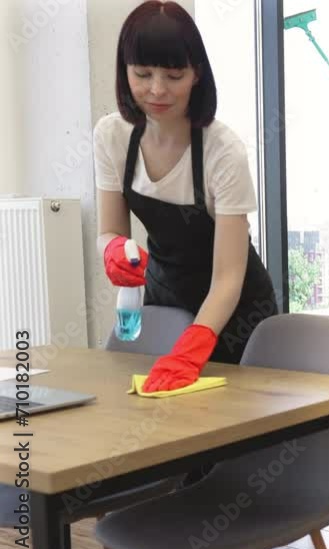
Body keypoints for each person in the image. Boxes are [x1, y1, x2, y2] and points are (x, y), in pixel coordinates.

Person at [95, 1, 276, 393]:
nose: (157, 90)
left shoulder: (221, 150)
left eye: (174, 75)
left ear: (196, 75)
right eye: (142, 74)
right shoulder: (112, 136)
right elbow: (110, 230)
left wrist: (194, 346)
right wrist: (111, 251)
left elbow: (228, 276)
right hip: (163, 300)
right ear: (124, 72)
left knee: (226, 434)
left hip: (236, 311)